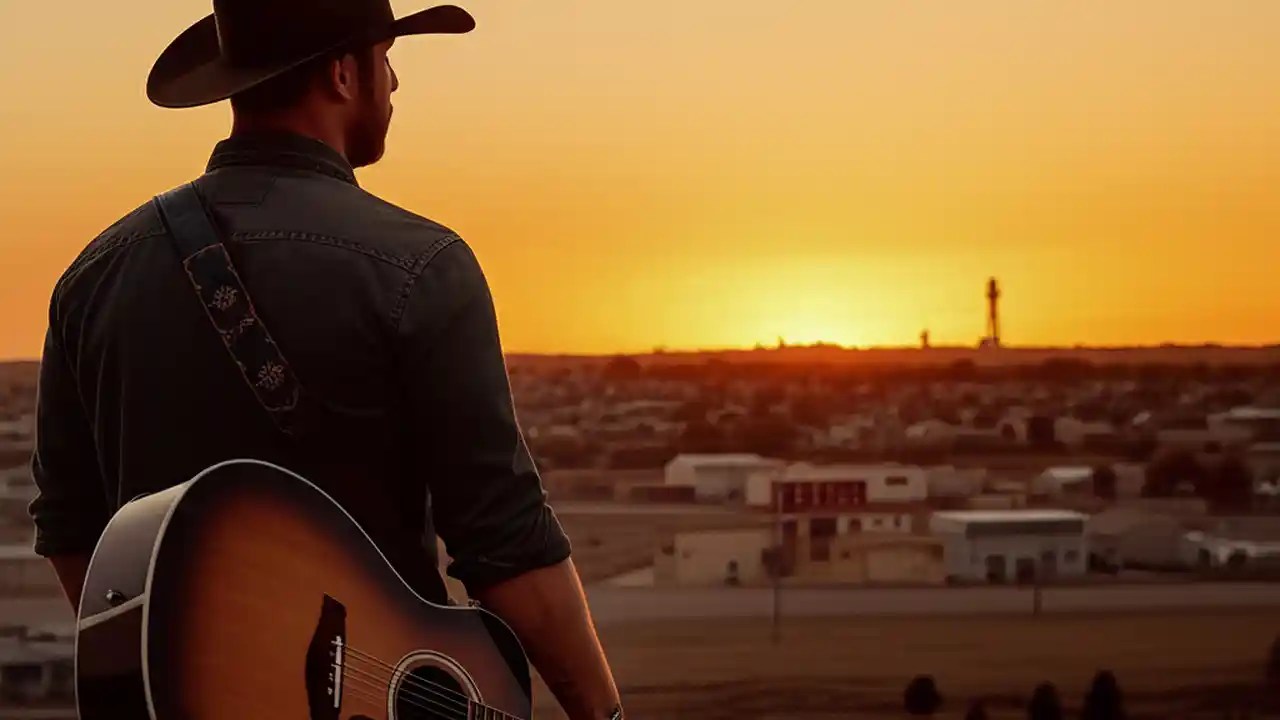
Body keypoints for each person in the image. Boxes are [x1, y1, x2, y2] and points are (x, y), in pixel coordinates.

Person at [27, 1, 623, 718]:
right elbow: (507, 544)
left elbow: (72, 533)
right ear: (344, 75)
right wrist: (603, 712)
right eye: (385, 60)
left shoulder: (92, 278)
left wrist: (168, 669)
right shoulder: (421, 266)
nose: (396, 84)